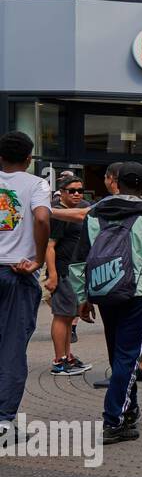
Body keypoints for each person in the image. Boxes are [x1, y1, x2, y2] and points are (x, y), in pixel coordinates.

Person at [70, 162, 142, 444]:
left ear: (117, 183)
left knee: (118, 355)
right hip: (138, 292)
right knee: (129, 357)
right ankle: (114, 420)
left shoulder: (95, 213)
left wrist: (82, 298)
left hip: (104, 291)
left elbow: (79, 260)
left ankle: (128, 410)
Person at [0, 132, 52, 441]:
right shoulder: (36, 184)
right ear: (29, 159)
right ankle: (3, 422)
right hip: (16, 272)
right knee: (12, 348)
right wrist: (37, 258)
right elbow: (43, 219)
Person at [46, 174, 92, 376]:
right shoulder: (59, 212)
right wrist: (53, 275)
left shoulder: (79, 208)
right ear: (61, 192)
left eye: (80, 190)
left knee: (70, 315)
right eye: (71, 190)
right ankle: (59, 361)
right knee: (62, 316)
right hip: (64, 271)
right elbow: (49, 246)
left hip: (77, 273)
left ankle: (68, 356)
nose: (76, 194)